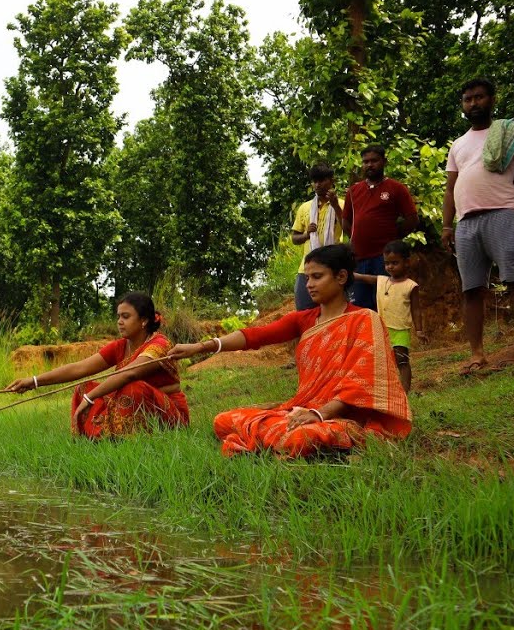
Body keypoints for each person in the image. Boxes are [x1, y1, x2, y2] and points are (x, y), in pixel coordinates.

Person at [167, 244, 411, 458]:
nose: (309, 285)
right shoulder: (304, 319)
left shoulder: (364, 319)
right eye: (307, 278)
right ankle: (286, 437)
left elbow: (362, 383)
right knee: (223, 420)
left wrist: (319, 413)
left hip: (347, 417)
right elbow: (255, 335)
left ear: (341, 277)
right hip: (304, 410)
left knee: (301, 436)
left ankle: (303, 439)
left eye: (317, 277)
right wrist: (201, 347)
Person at [443, 78, 514, 374]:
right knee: (471, 289)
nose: (473, 103)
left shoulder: (510, 130)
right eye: (467, 99)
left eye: (479, 97)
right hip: (466, 222)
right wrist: (446, 225)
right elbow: (450, 185)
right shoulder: (459, 144)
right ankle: (477, 354)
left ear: (492, 99)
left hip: (503, 212)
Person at [5, 292, 188, 438]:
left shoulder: (160, 345)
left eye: (126, 316)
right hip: (131, 403)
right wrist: (34, 381)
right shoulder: (121, 346)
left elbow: (129, 374)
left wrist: (90, 398)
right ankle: (96, 439)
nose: (119, 322)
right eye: (118, 316)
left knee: (133, 388)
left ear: (144, 321)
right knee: (82, 387)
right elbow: (79, 368)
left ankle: (124, 440)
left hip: (169, 415)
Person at [343, 145, 419, 311]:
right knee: (360, 309)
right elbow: (346, 222)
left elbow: (412, 219)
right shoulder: (353, 191)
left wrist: (393, 236)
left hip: (384, 260)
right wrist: (359, 239)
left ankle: (385, 338)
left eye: (374, 161)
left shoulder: (396, 188)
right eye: (365, 162)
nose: (369, 165)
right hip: (359, 259)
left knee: (385, 307)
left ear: (384, 161)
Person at [353, 240, 424, 392]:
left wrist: (419, 330)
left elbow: (416, 310)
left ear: (406, 262)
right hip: (382, 328)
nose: (390, 267)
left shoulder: (411, 286)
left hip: (400, 329)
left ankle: (405, 391)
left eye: (394, 263)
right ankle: (386, 389)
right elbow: (364, 277)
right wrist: (351, 275)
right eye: (387, 263)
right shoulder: (381, 280)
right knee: (383, 361)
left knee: (401, 360)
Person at [291, 163, 344, 311]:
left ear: (331, 181)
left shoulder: (342, 204)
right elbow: (294, 239)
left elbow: (349, 230)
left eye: (321, 180)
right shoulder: (305, 207)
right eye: (315, 181)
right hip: (306, 270)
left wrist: (336, 207)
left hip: (332, 267)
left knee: (334, 313)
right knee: (305, 314)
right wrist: (306, 235)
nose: (317, 185)